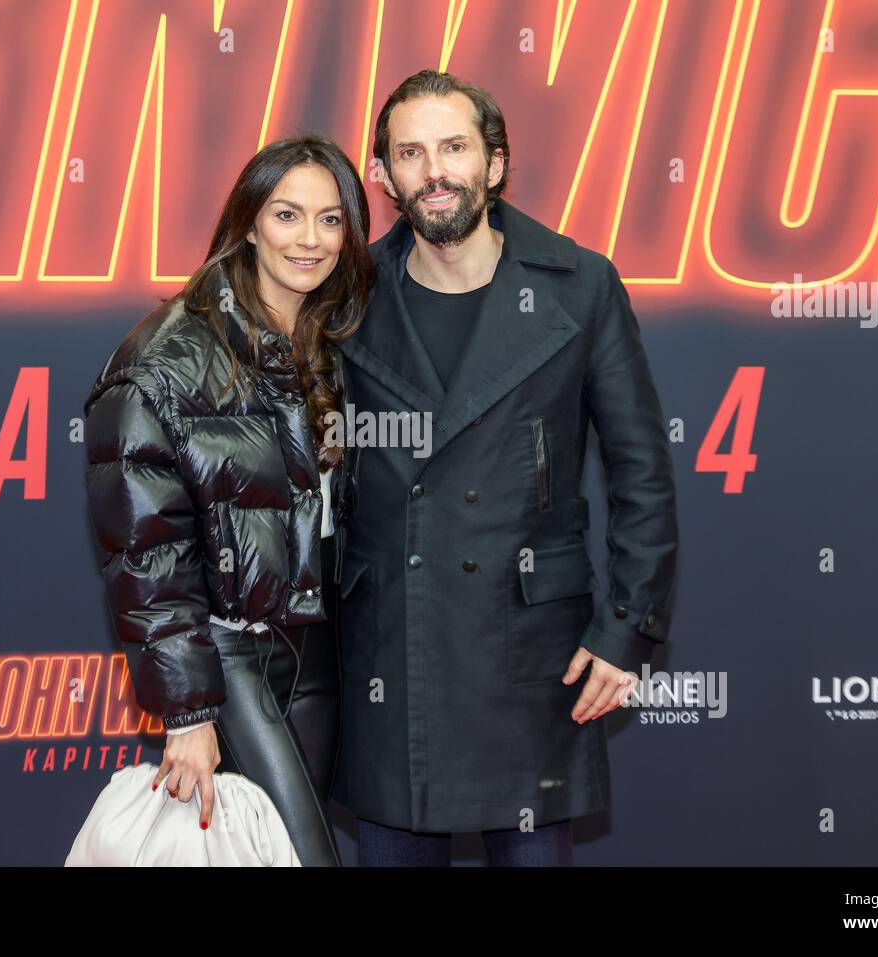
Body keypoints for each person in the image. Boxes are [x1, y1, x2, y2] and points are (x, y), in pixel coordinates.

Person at [333, 70, 680, 866]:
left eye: (454, 147)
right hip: (392, 659)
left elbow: (642, 476)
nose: (435, 171)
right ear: (385, 176)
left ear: (495, 163)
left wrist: (627, 629)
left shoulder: (581, 285)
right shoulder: (348, 296)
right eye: (410, 153)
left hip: (529, 657)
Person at [81, 134, 372, 866]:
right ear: (248, 222)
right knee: (308, 858)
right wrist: (188, 710)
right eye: (288, 215)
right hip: (230, 655)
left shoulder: (330, 344)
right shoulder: (164, 359)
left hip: (315, 651)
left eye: (331, 220)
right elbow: (145, 547)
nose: (311, 239)